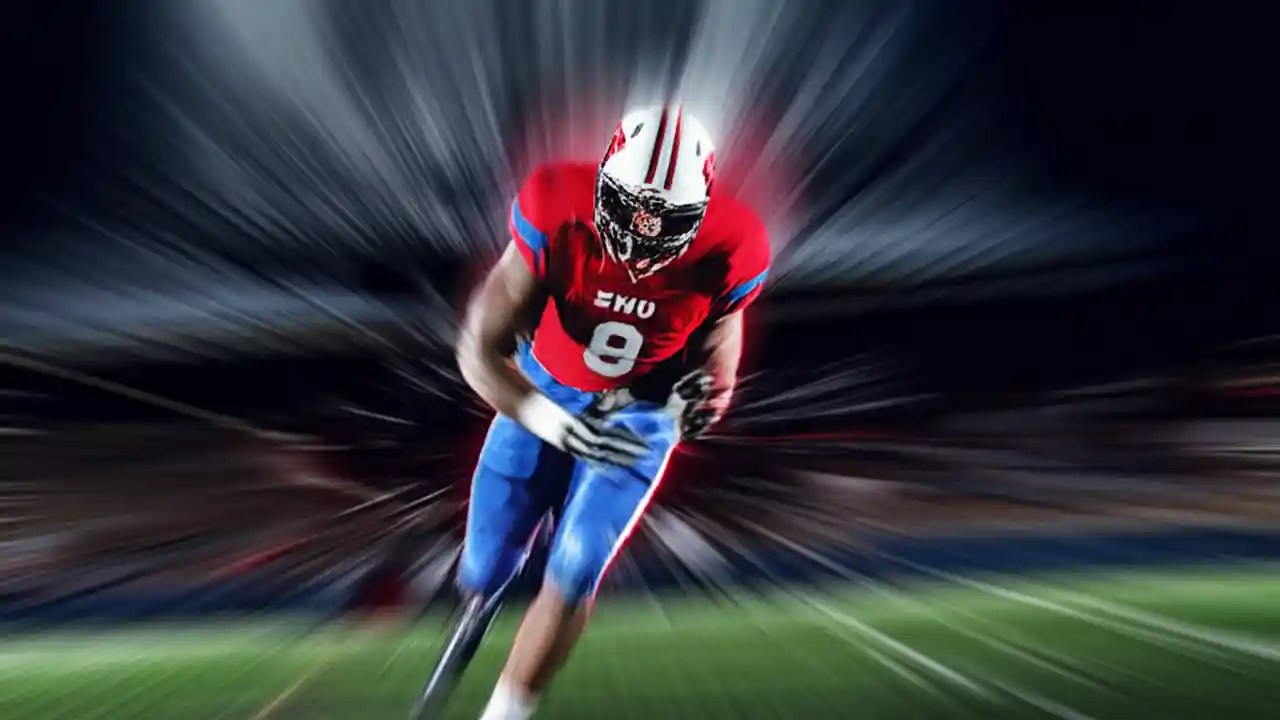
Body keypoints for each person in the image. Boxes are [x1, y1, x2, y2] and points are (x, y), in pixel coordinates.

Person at [423, 104, 769, 720]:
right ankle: (482, 604)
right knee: (484, 565)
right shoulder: (555, 207)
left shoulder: (731, 246)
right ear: (604, 177)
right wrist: (550, 420)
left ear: (703, 210)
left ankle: (504, 715)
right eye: (633, 207)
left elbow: (722, 349)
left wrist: (709, 397)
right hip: (546, 393)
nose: (641, 231)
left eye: (666, 219)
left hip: (641, 415)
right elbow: (478, 349)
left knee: (580, 557)